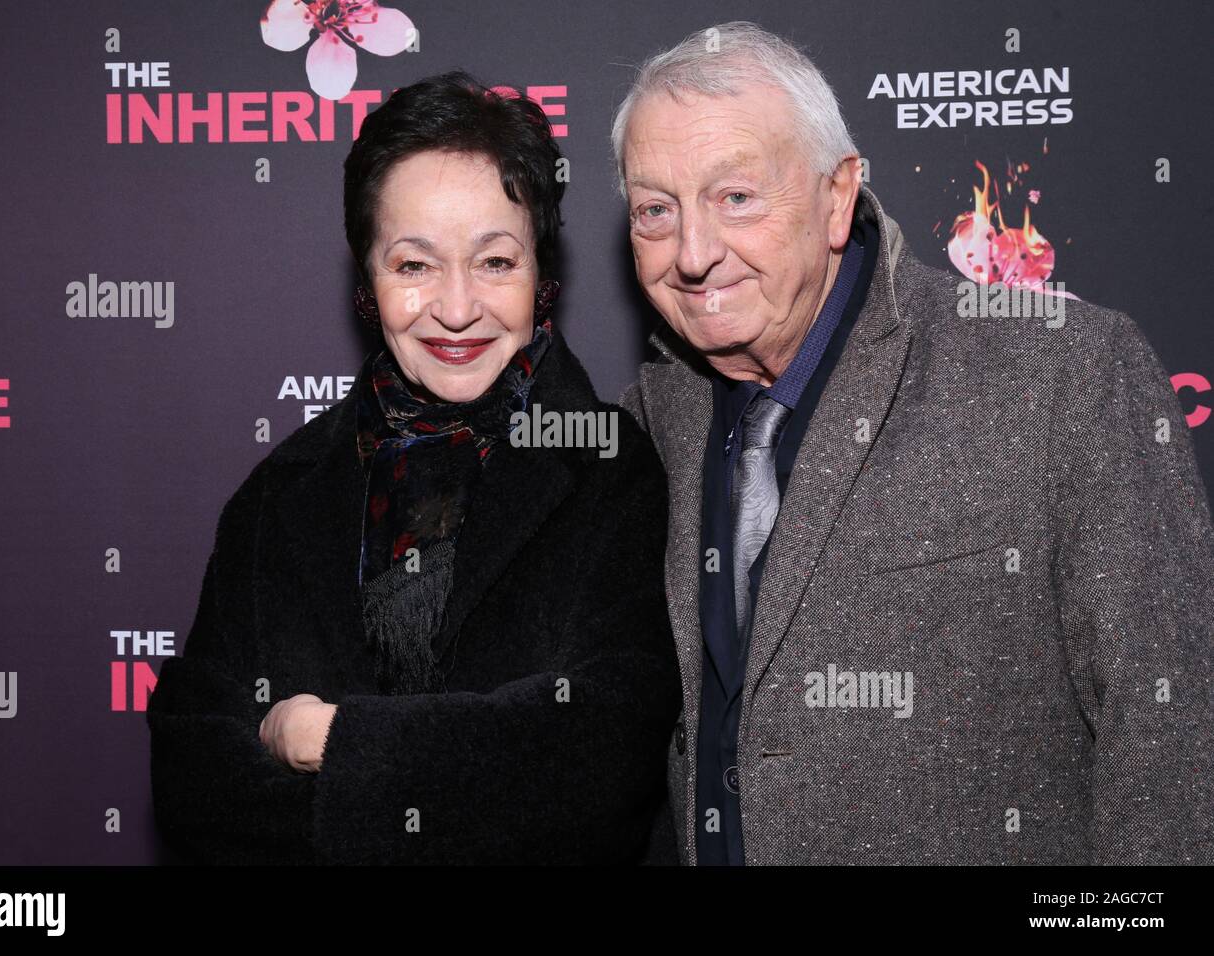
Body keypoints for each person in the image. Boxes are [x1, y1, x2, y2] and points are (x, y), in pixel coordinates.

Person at [613, 21, 1214, 865]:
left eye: (737, 197)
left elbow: (1178, 730)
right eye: (655, 210)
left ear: (837, 196)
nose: (694, 252)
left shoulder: (1062, 373)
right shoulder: (648, 424)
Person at [146, 71, 681, 865]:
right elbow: (196, 779)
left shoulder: (608, 466)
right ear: (368, 279)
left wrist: (329, 740)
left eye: (496, 262)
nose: (457, 308)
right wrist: (468, 770)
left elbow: (598, 761)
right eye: (414, 266)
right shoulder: (282, 493)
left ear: (542, 277)